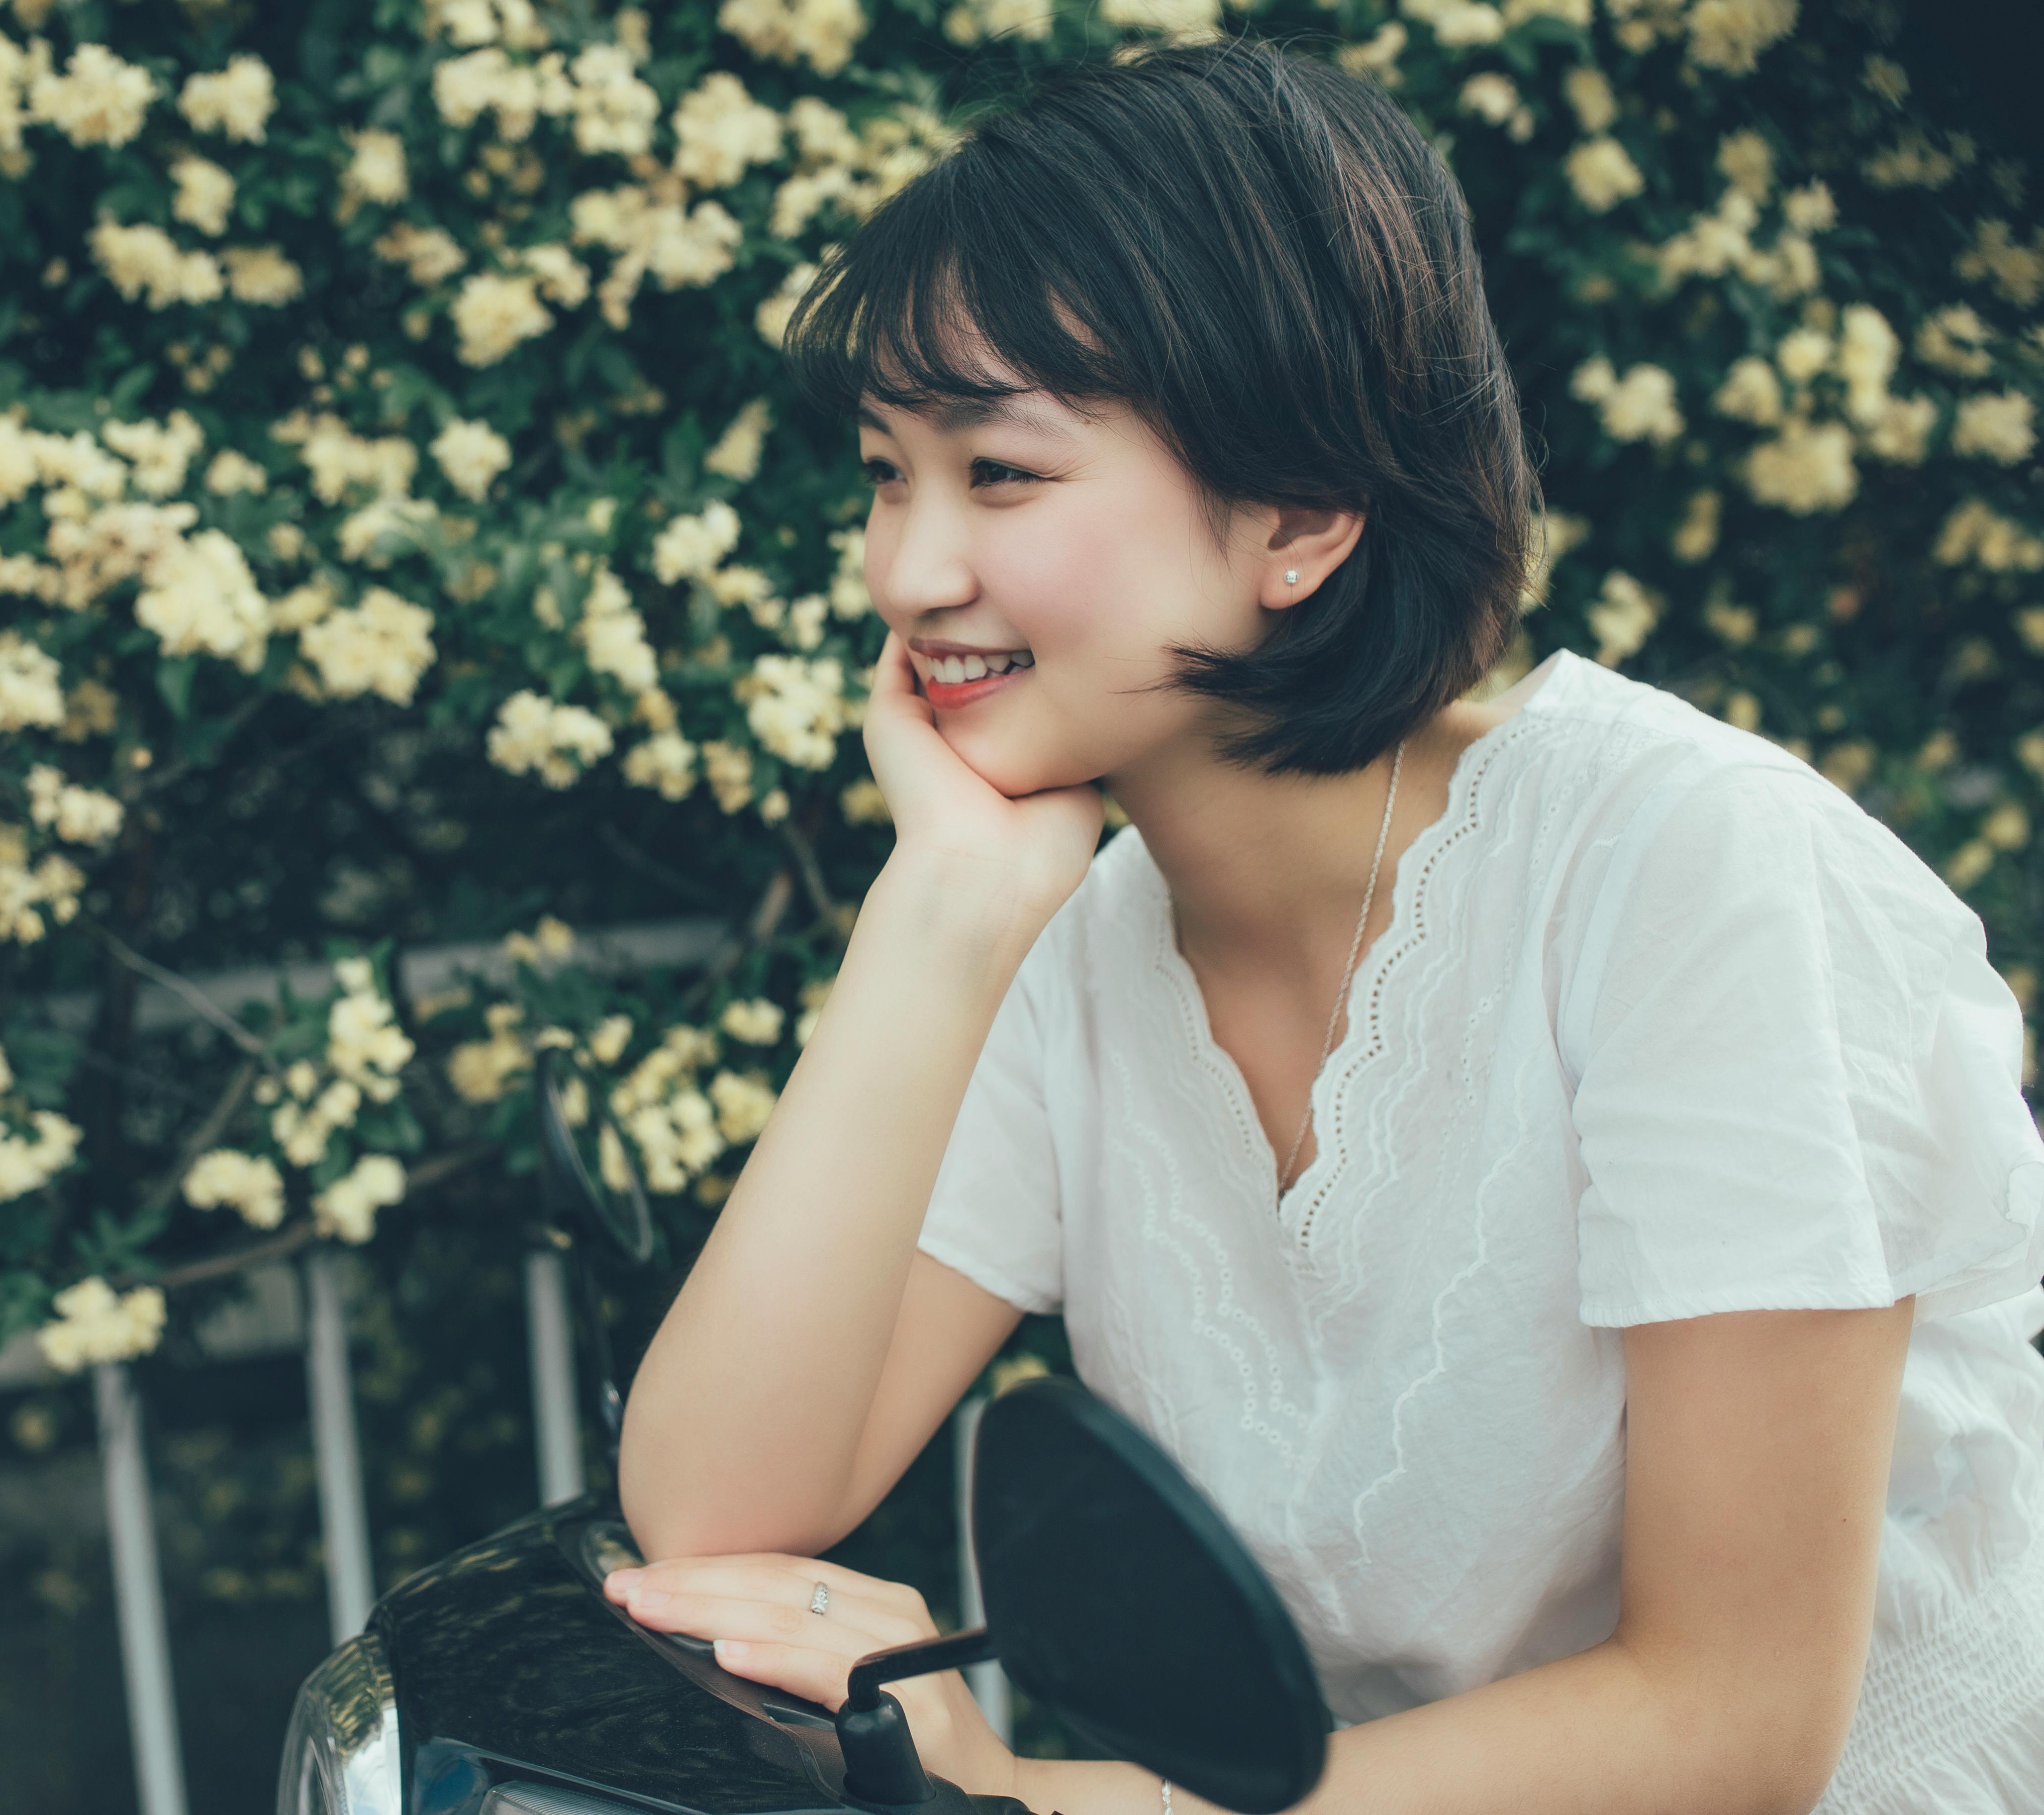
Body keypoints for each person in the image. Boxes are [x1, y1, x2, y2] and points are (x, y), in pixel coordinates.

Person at [599, 37, 2044, 1815]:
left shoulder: (1685, 867)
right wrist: (940, 912)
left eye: (1001, 474)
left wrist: (1041, 1800)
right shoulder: (1064, 939)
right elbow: (714, 1517)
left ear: (1297, 518)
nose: (907, 571)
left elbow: (1729, 1725)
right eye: (890, 472)